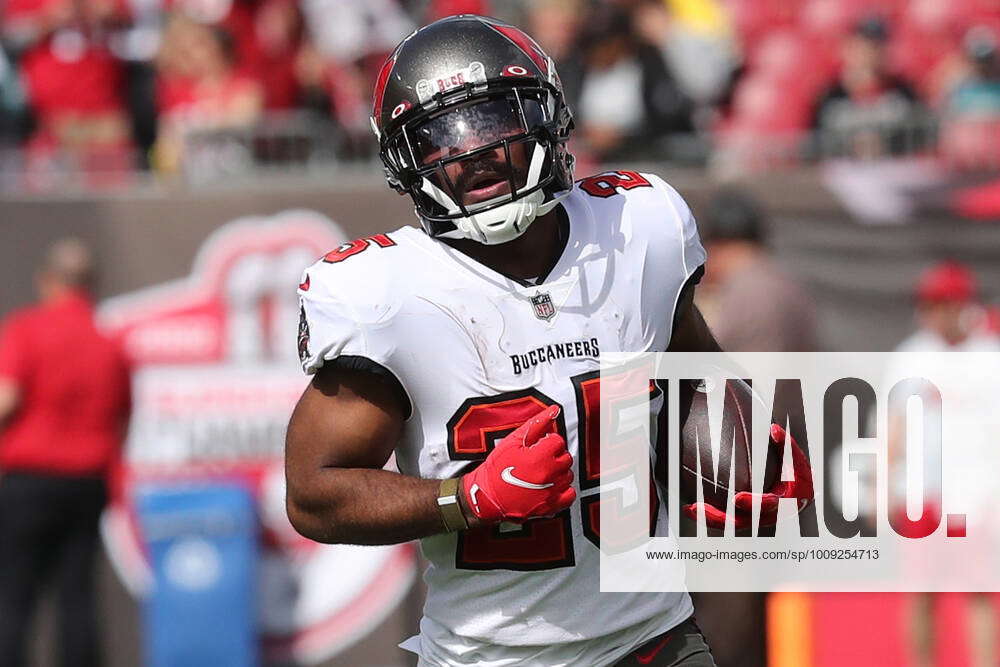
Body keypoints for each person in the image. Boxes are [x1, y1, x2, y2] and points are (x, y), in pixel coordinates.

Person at [285, 15, 809, 666]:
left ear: (546, 116)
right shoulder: (387, 293)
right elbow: (314, 492)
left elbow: (691, 372)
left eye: (491, 121)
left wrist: (741, 439)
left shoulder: (637, 224)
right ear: (404, 160)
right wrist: (468, 496)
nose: (471, 150)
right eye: (440, 136)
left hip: (657, 640)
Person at [0, 238, 132, 667]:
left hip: (28, 483)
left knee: (13, 594)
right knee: (76, 596)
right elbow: (122, 418)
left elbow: (6, 398)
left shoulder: (25, 329)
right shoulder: (107, 344)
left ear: (48, 280)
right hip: (86, 483)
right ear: (90, 284)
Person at [811, 15, 927, 159]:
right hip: (842, 174)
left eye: (876, 46)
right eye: (864, 46)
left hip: (894, 173)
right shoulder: (829, 96)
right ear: (847, 48)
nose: (869, 53)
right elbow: (813, 143)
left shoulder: (904, 92)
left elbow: (922, 137)